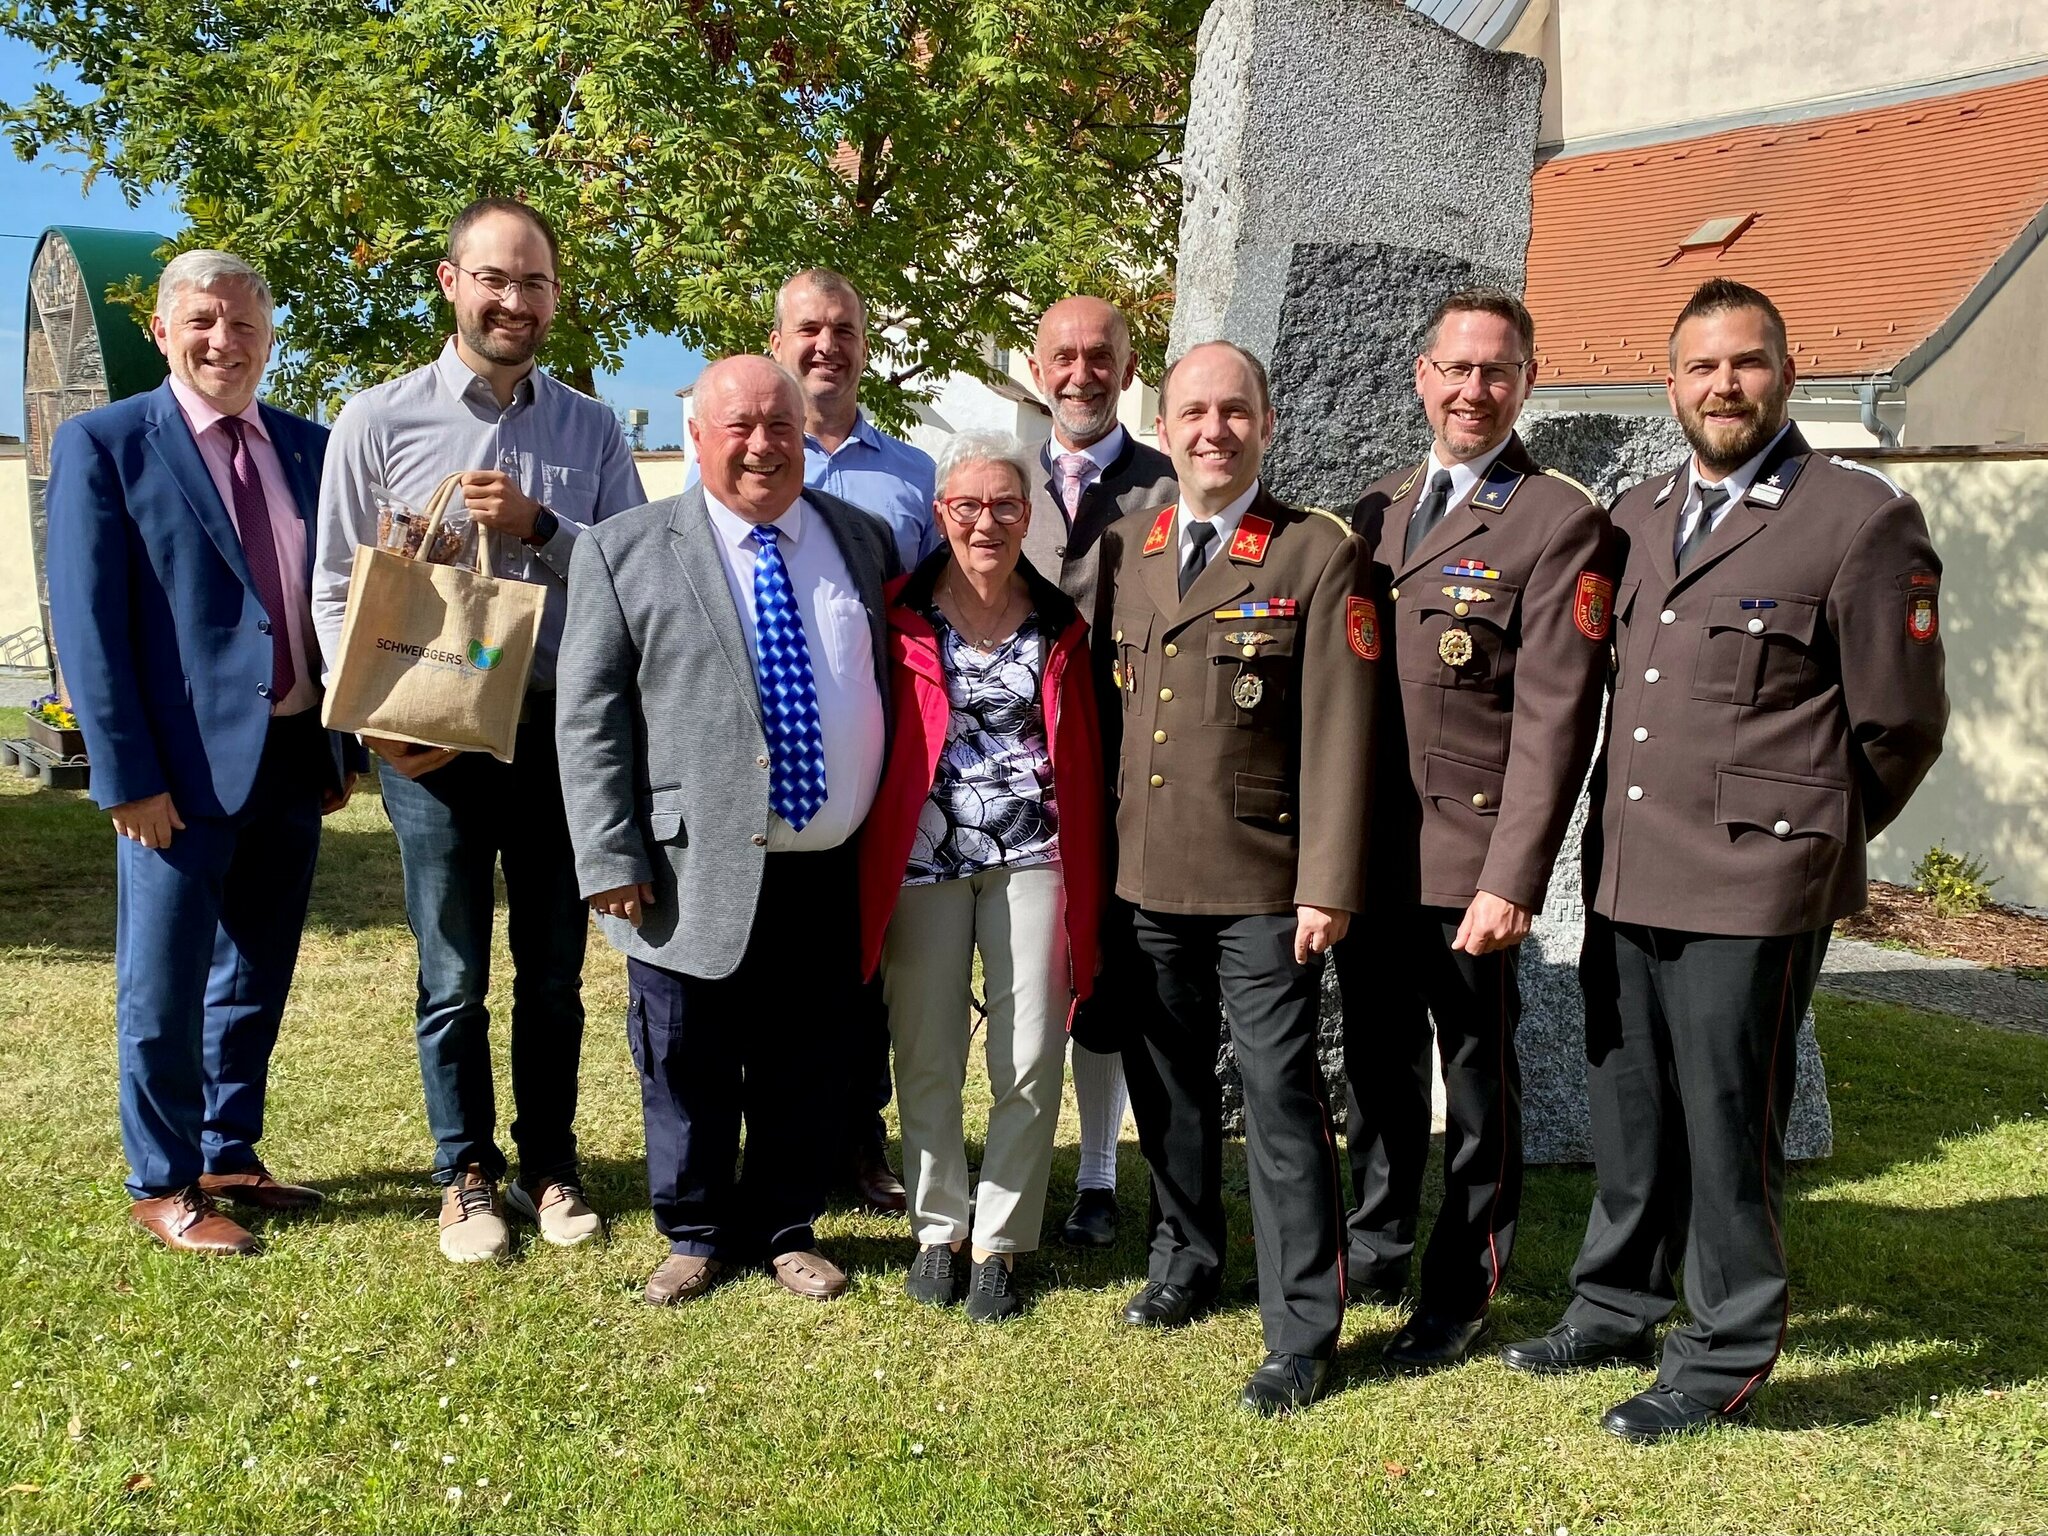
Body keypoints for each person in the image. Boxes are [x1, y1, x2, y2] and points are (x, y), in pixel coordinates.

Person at [1500, 279, 1948, 1442]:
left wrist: (1805, 840)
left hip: (1753, 884)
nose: (1723, 386)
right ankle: (1611, 1303)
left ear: (1785, 372)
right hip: (1630, 865)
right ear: (1670, 385)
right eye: (1699, 368)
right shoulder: (1642, 513)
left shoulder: (1855, 517)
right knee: (1630, 1104)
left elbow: (1897, 725)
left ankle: (1724, 1348)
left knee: (1722, 1122)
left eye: (1744, 363)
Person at [313, 197, 645, 1263]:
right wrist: (374, 723)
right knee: (452, 970)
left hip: (556, 735)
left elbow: (636, 574)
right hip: (430, 745)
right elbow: (332, 590)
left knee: (553, 969)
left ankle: (550, 1163)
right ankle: (465, 1171)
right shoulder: (376, 421)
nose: (514, 300)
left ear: (555, 297)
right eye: (493, 279)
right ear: (451, 283)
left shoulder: (589, 429)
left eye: (534, 282)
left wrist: (542, 527)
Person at [557, 355, 897, 1307]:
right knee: (685, 1052)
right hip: (680, 861)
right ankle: (696, 1230)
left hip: (828, 860)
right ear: (696, 435)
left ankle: (787, 1224)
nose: (761, 444)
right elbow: (587, 719)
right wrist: (610, 853)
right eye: (738, 426)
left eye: (780, 425)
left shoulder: (859, 538)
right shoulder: (623, 549)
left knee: (809, 1055)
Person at [46, 249, 360, 1253]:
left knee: (255, 971)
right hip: (174, 775)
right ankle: (162, 1178)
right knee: (164, 980)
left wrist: (338, 750)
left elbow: (333, 603)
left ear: (270, 337)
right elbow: (88, 628)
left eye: (245, 325)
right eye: (205, 322)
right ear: (164, 330)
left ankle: (230, 1152)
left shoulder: (308, 449)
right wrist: (125, 774)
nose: (225, 341)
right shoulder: (106, 444)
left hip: (289, 753)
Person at [1338, 290, 1619, 1367]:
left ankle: (1460, 1283)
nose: (1471, 390)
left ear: (1525, 383)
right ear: (1421, 377)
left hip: (1469, 860)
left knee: (1473, 1079)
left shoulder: (1557, 520)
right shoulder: (1378, 504)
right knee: (1374, 1065)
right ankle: (1371, 1247)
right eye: (1453, 370)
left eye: (1494, 372)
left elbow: (1555, 718)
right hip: (1369, 855)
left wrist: (1515, 877)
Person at [1099, 340, 1377, 1415]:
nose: (1211, 430)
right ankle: (1183, 1257)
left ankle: (1300, 1327)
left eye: (1233, 411)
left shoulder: (1313, 554)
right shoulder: (1129, 544)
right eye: (1192, 413)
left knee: (1278, 1100)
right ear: (1162, 427)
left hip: (1265, 885)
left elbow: (1341, 733)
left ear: (1267, 424)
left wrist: (1326, 881)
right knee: (1165, 1084)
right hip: (1146, 874)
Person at [856, 429, 1107, 1321]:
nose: (986, 522)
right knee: (926, 1053)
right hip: (922, 861)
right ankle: (937, 1228)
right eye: (968, 506)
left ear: (1028, 515)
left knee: (1029, 1056)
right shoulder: (895, 612)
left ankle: (999, 1239)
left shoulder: (1062, 621)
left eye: (1005, 505)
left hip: (1036, 858)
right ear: (940, 515)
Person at [769, 266, 937, 1214]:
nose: (825, 346)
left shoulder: (911, 476)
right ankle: (772, 1137)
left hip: (870, 758)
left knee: (857, 961)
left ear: (864, 346)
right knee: (758, 964)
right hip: (759, 755)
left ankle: (857, 1139)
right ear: (778, 336)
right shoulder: (745, 454)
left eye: (844, 330)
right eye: (808, 329)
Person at [1021, 295, 1178, 1250]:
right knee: (1033, 972)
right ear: (1038, 368)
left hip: (1133, 779)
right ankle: (1019, 1158)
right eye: (1063, 357)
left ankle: (1100, 1175)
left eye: (1100, 357)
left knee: (1109, 986)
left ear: (1127, 368)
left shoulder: (1170, 486)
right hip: (1019, 777)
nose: (1080, 374)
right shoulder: (999, 483)